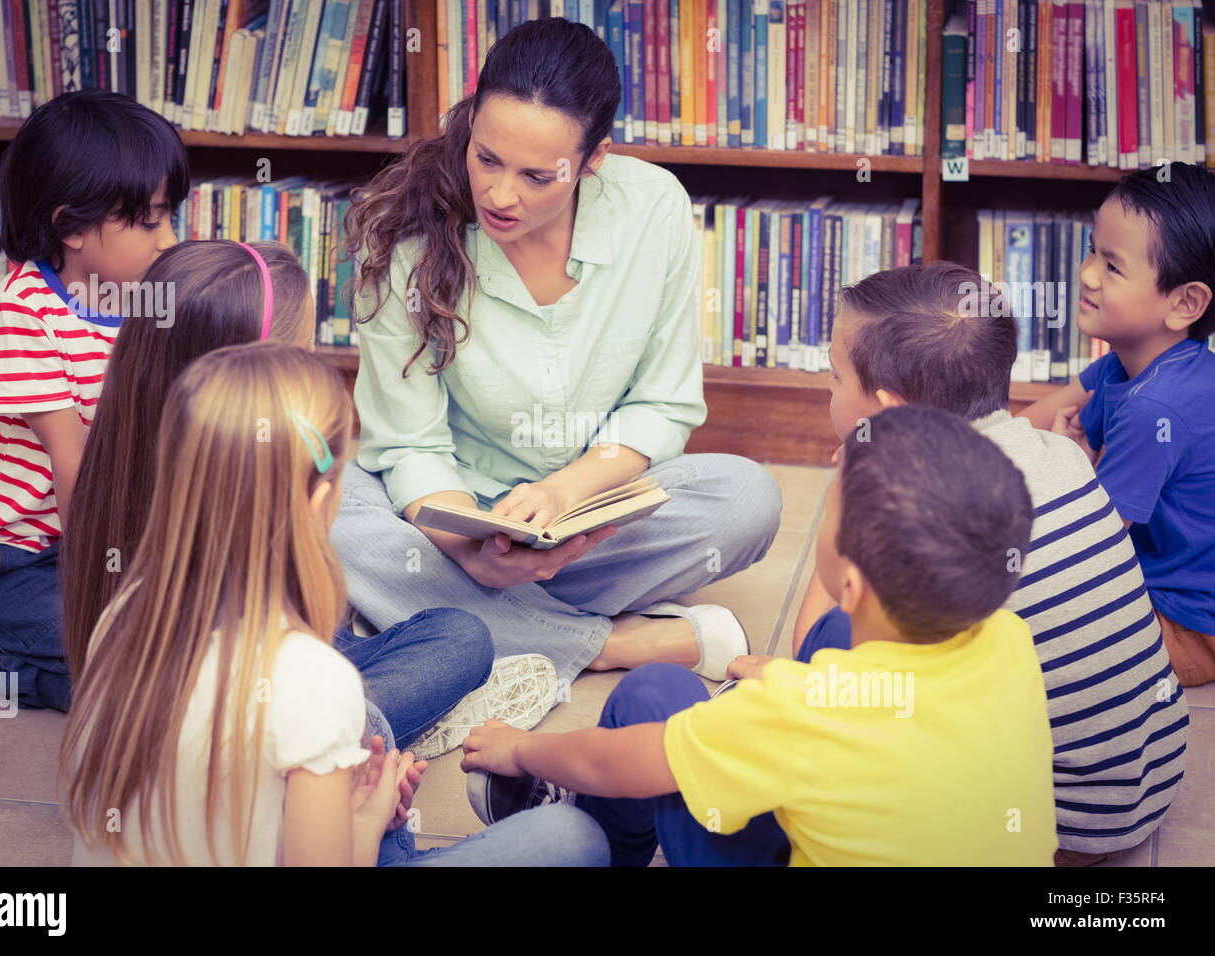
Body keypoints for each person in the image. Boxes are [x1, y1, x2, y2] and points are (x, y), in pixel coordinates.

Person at [334, 17, 781, 703]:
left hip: (593, 513)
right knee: (332, 518)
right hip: (456, 513)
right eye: (486, 159)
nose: (501, 195)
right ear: (472, 122)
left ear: (594, 158)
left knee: (748, 498)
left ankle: (469, 619)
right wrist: (472, 551)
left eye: (537, 175)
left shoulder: (654, 208)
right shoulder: (407, 237)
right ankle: (614, 641)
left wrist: (561, 496)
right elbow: (407, 445)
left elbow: (662, 408)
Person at [62, 343, 609, 866]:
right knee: (571, 838)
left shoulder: (124, 614)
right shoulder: (313, 680)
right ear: (321, 501)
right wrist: (368, 820)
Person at [462, 405, 1057, 867]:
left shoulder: (799, 713)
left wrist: (520, 750)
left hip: (788, 741)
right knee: (834, 635)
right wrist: (789, 682)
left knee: (650, 699)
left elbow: (613, 761)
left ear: (848, 578)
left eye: (828, 511)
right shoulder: (1010, 639)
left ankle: (595, 840)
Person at [62, 240, 553, 758]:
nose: (313, 369)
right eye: (304, 353)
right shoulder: (227, 507)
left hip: (261, 675)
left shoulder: (125, 446)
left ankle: (369, 726)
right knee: (453, 647)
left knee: (455, 634)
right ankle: (369, 736)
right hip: (249, 719)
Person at [784, 263, 1188, 865]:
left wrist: (849, 494)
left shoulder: (913, 513)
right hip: (1152, 774)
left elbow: (814, 652)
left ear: (888, 412)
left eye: (836, 378)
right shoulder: (1062, 455)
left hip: (1051, 828)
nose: (829, 393)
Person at [0, 90, 187, 710]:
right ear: (70, 228)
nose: (168, 240)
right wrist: (125, 587)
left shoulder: (137, 293)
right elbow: (75, 470)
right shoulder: (22, 315)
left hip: (88, 534)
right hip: (4, 562)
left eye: (169, 216)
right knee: (134, 670)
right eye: (148, 221)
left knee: (172, 642)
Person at [1020, 162, 1215, 690]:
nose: (1086, 274)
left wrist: (1066, 470)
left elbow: (1090, 545)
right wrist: (941, 450)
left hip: (1184, 626)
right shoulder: (1124, 364)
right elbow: (1027, 421)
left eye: (1113, 266)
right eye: (1091, 250)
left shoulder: (1157, 409)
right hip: (1147, 584)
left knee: (1020, 615)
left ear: (1184, 304)